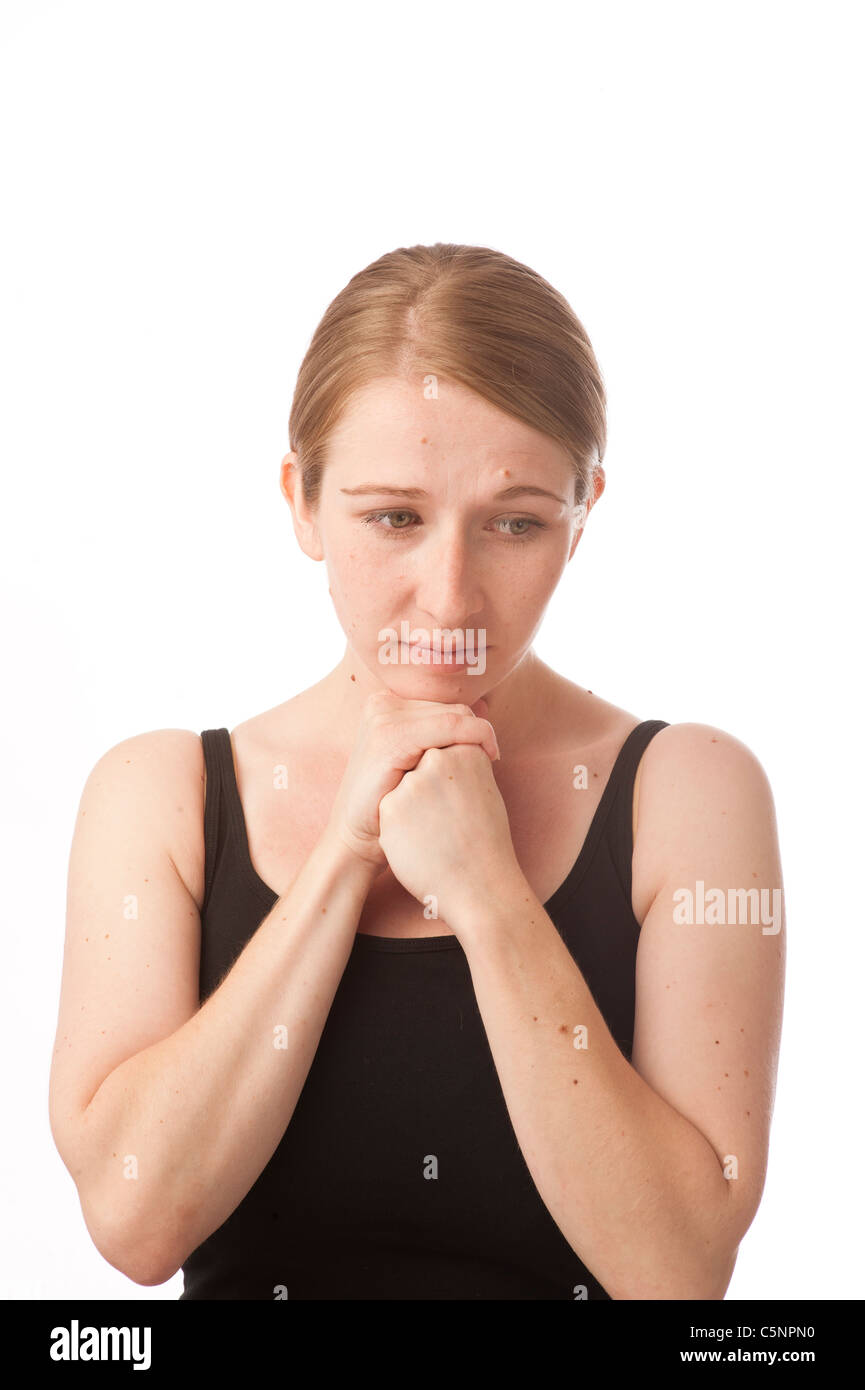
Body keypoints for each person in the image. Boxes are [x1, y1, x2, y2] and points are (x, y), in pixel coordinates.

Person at [48, 242, 785, 1300]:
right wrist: (344, 857)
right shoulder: (160, 795)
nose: (448, 597)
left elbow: (675, 1274)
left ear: (584, 517)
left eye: (516, 523)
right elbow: (134, 1223)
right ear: (301, 502)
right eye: (393, 516)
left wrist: (487, 892)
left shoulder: (687, 793)